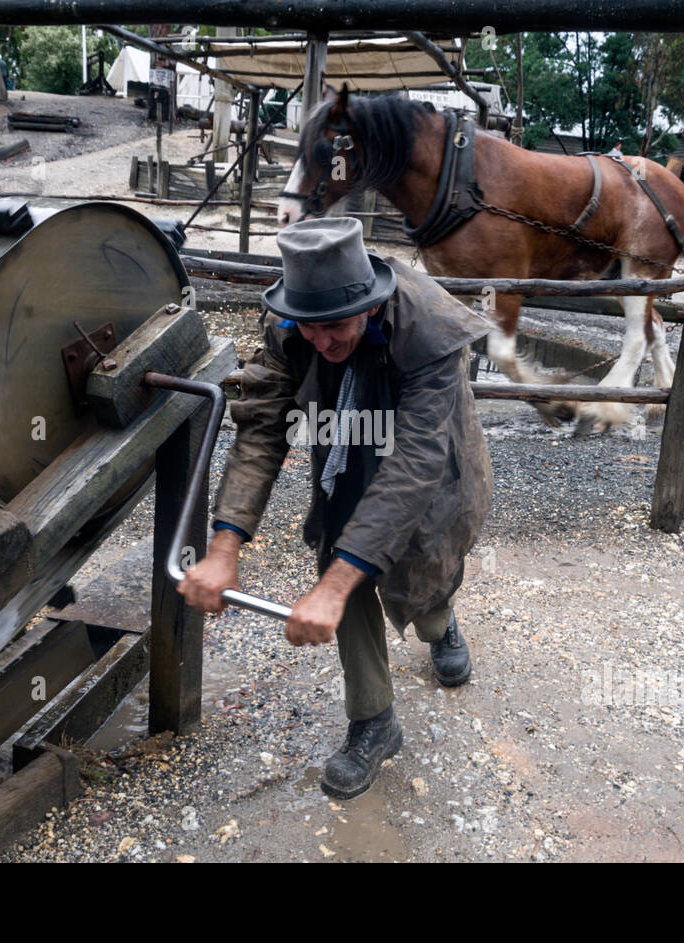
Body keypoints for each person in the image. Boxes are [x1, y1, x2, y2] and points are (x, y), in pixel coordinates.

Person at [177, 217, 494, 800]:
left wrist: (334, 586)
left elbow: (415, 466)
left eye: (338, 327)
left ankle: (440, 624)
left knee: (427, 565)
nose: (322, 343)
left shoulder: (431, 326)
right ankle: (374, 720)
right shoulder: (287, 321)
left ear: (371, 307)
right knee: (339, 562)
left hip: (431, 453)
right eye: (310, 328)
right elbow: (263, 427)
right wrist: (226, 544)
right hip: (344, 439)